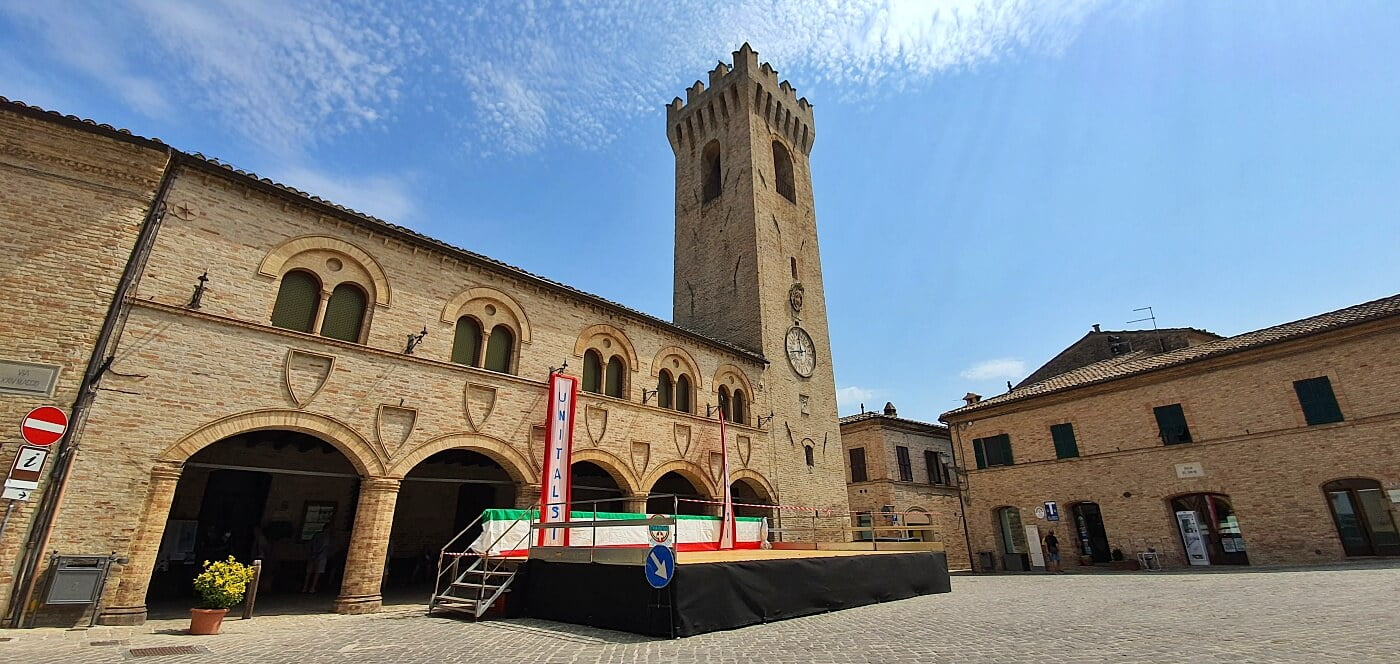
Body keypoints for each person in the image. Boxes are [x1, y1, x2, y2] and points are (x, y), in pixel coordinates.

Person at [302, 527, 330, 593]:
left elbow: (310, 544)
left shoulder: (316, 535)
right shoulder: (326, 537)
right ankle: (312, 588)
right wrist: (317, 554)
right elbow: (324, 547)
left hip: (313, 555)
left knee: (309, 572)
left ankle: (305, 587)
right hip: (320, 556)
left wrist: (312, 554)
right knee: (317, 572)